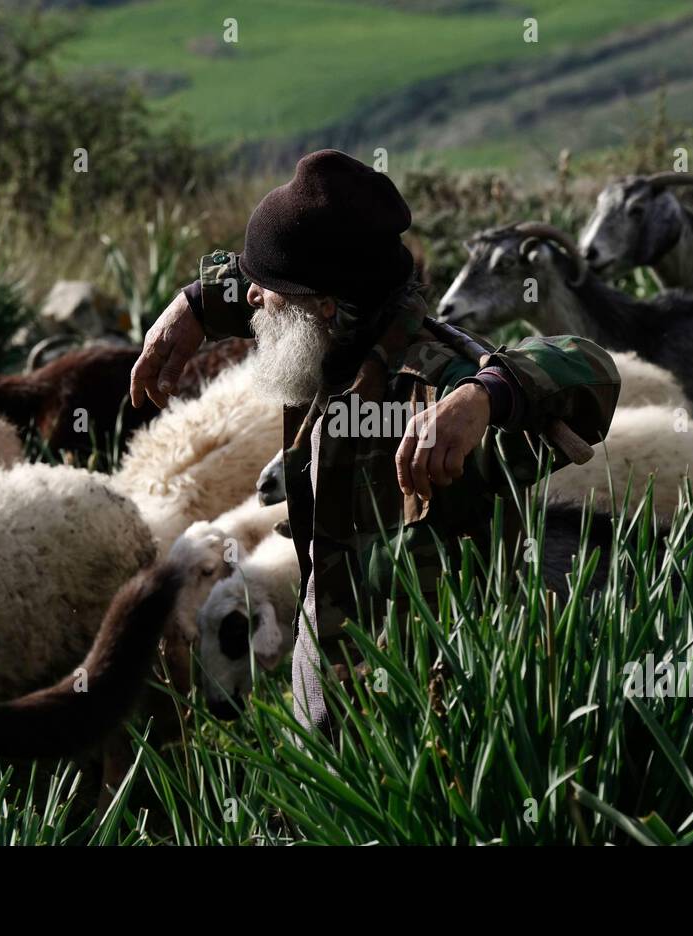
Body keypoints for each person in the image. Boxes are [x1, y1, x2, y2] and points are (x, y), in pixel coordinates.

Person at [130, 150, 620, 731]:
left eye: (265, 289)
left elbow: (595, 372)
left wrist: (490, 394)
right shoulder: (331, 340)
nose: (251, 298)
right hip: (328, 685)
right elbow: (269, 285)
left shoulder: (438, 390)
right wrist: (197, 301)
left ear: (324, 306)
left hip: (431, 713)